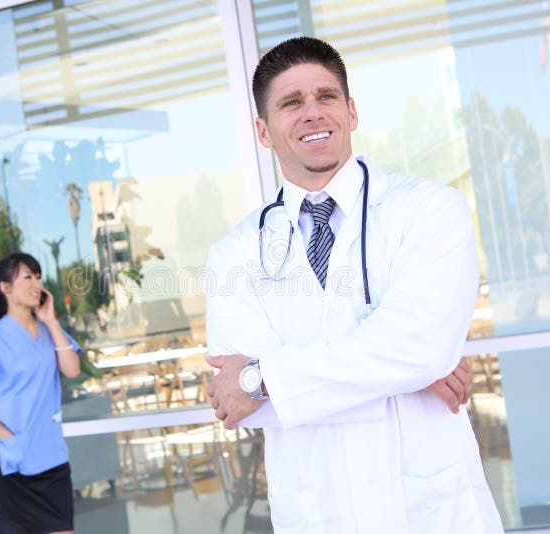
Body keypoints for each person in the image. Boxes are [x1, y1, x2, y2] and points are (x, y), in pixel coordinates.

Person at [205, 36, 503, 533]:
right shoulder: (232, 254)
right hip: (320, 513)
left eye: (326, 97)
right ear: (263, 130)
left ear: (352, 111)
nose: (313, 114)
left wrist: (265, 379)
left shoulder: (429, 209)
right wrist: (403, 367)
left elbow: (420, 347)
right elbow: (242, 406)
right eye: (291, 103)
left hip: (431, 508)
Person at [0, 252, 81, 533]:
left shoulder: (49, 330)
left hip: (51, 461)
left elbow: (73, 370)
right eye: (27, 277)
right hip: (13, 467)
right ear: (5, 288)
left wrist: (51, 321)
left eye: (38, 277)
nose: (36, 284)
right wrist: (11, 442)